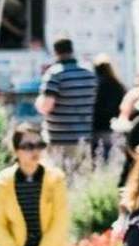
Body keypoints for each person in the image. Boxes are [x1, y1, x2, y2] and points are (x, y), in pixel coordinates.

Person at [0, 124, 71, 246]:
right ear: (16, 151)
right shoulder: (4, 181)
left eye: (39, 145)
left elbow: (60, 222)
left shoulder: (56, 178)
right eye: (28, 146)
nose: (35, 151)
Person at [35, 37, 98, 168]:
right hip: (85, 136)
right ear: (72, 50)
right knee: (80, 179)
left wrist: (38, 102)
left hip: (59, 139)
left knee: (59, 180)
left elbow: (46, 106)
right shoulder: (89, 73)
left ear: (55, 52)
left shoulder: (55, 74)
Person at [91, 55, 127, 161]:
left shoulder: (95, 85)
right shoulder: (118, 85)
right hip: (113, 127)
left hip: (96, 127)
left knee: (97, 160)